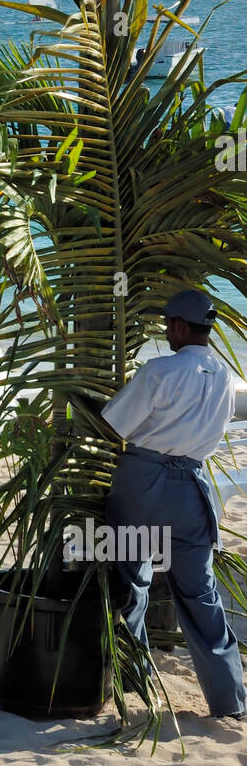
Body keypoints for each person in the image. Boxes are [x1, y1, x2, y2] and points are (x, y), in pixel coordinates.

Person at [102, 289, 246, 719]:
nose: (167, 331)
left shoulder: (159, 370)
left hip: (144, 482)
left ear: (181, 326)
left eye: (169, 324)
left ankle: (134, 682)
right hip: (192, 489)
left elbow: (114, 425)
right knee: (200, 595)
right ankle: (231, 701)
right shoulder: (224, 376)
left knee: (132, 579)